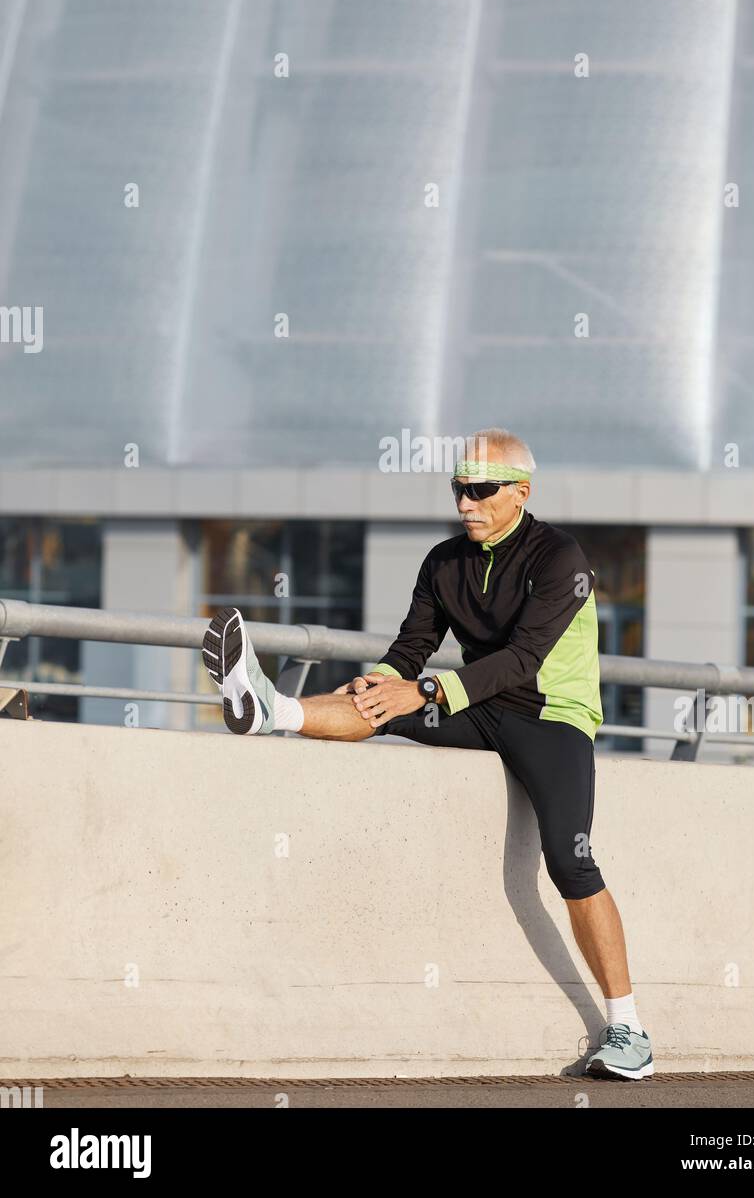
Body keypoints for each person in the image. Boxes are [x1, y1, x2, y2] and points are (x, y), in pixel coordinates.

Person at [202, 428, 653, 1080]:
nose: (466, 503)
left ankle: (630, 1031)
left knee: (569, 860)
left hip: (551, 717)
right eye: (458, 489)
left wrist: (425, 690)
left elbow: (523, 658)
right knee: (379, 702)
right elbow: (412, 647)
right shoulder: (443, 561)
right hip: (479, 706)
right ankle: (270, 710)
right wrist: (383, 682)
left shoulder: (562, 558)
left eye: (481, 490)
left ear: (521, 493)